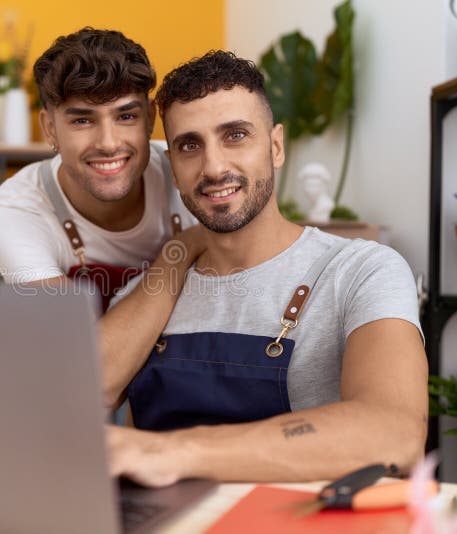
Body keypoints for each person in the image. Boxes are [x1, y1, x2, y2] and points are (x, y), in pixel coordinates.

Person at [102, 51, 428, 487]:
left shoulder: (361, 271)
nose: (214, 167)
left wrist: (170, 451)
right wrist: (177, 255)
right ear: (173, 170)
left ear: (276, 146)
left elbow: (394, 433)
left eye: (235, 135)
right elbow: (77, 401)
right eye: (189, 146)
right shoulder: (151, 291)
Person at [0, 28, 197, 309]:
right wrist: (184, 253)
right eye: (83, 121)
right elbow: (72, 338)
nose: (108, 144)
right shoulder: (18, 209)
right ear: (50, 129)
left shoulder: (193, 174)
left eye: (126, 116)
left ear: (149, 118)